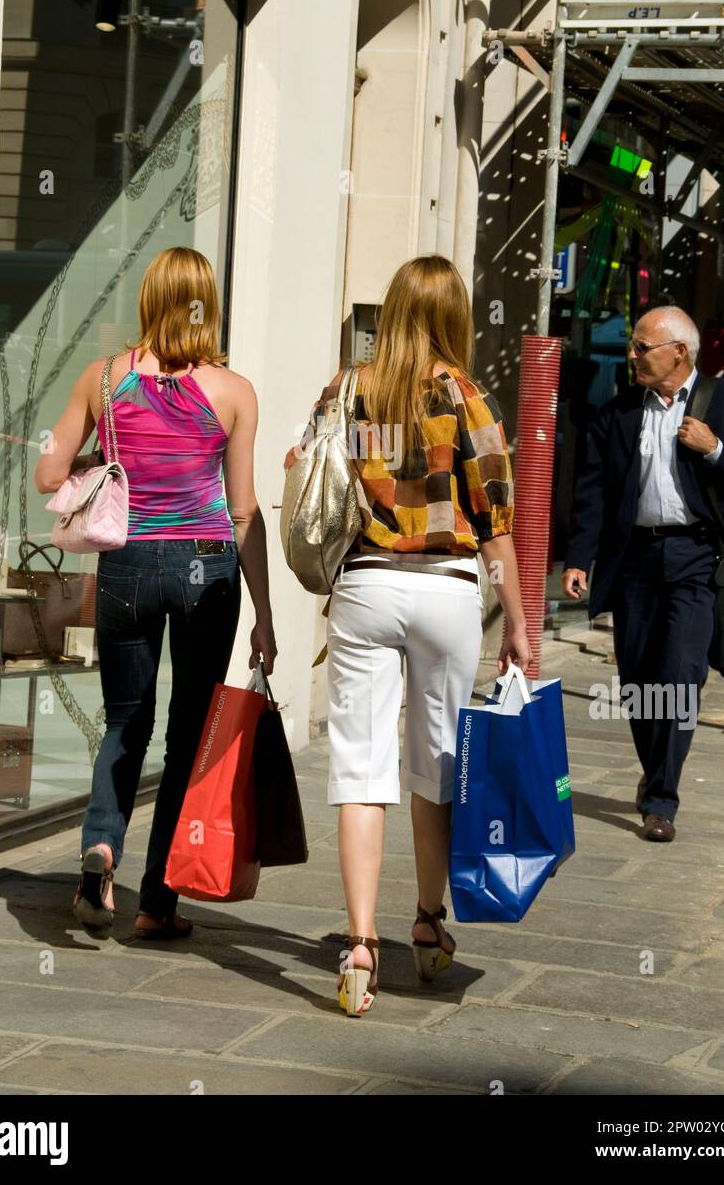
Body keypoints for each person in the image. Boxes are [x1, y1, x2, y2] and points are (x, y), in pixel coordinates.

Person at [284, 255, 532, 1017]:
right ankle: (425, 925)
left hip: (364, 584)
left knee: (360, 767)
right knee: (437, 763)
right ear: (453, 313)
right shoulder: (466, 394)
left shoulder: (348, 388)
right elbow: (494, 522)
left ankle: (359, 951)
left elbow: (301, 465)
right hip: (449, 593)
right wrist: (519, 625)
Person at [34, 246, 277, 936]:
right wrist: (263, 613)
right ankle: (158, 903)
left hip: (128, 564)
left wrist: (89, 458)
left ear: (147, 301)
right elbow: (243, 512)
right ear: (205, 304)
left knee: (123, 721)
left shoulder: (102, 379)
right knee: (188, 735)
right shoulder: (233, 391)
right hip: (206, 565)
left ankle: (101, 845)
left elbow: (48, 475)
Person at [562, 305, 724, 842]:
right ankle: (656, 771)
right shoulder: (619, 411)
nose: (631, 357)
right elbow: (593, 494)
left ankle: (661, 800)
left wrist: (714, 449)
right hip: (634, 559)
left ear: (679, 351)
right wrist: (580, 558)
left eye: (640, 348)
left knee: (680, 676)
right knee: (637, 681)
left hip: (697, 557)